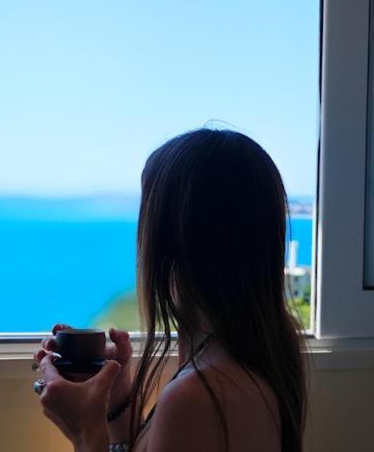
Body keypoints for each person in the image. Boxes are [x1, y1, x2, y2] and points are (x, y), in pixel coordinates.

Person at [33, 128, 307, 452]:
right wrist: (117, 402)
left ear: (172, 243)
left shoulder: (196, 397)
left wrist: (84, 432)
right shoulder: (254, 349)